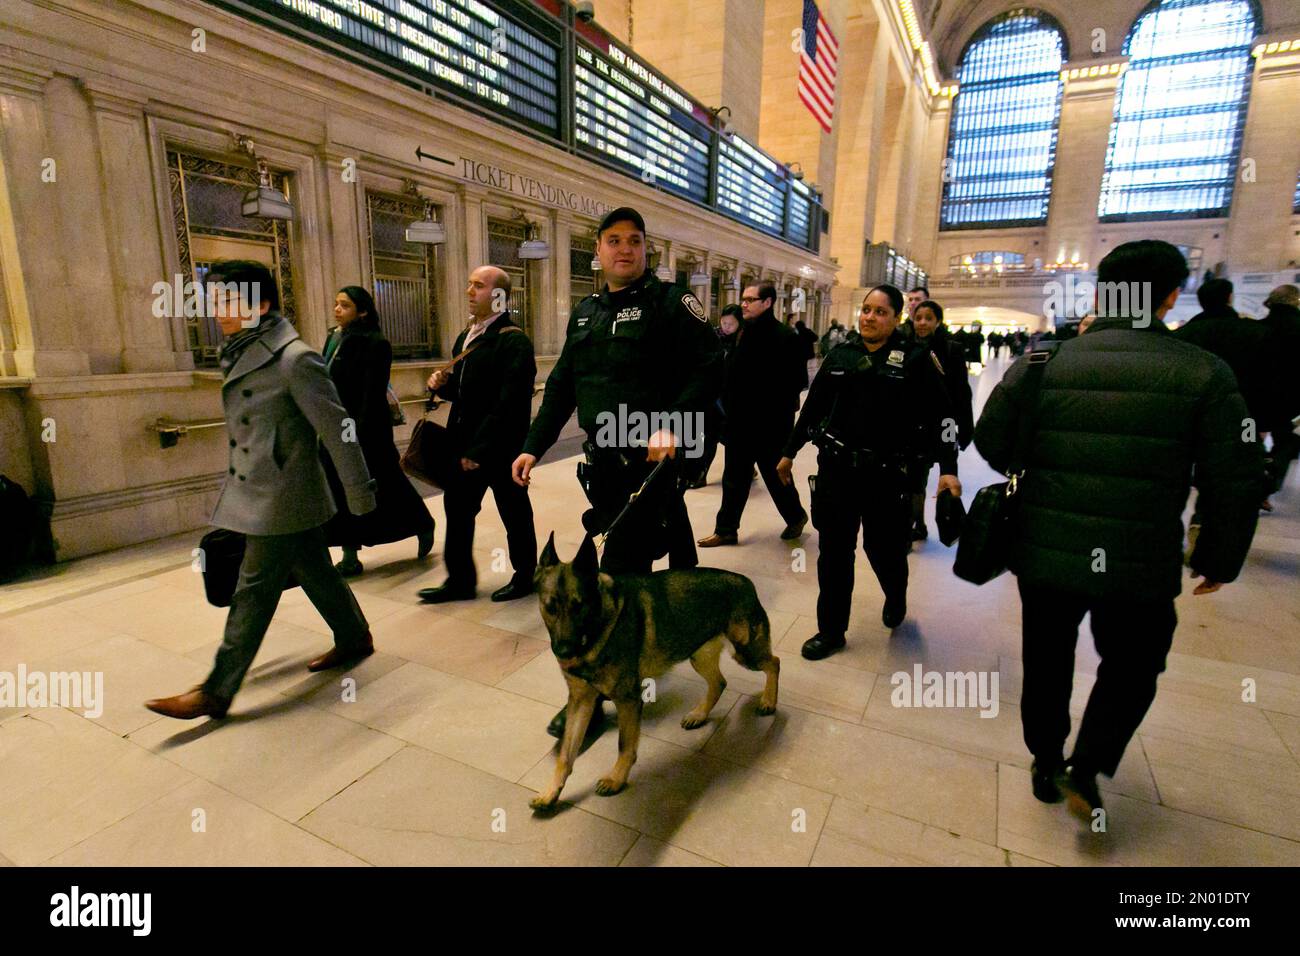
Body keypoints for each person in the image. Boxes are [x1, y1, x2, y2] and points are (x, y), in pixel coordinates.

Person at [974, 239, 1263, 825]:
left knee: (1048, 658)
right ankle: (1089, 764)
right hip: (1139, 557)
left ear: (1103, 292)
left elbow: (991, 441)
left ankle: (1046, 759)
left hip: (1047, 550)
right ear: (1172, 297)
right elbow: (1234, 475)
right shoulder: (1203, 372)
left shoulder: (1044, 362)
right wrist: (1220, 556)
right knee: (1134, 662)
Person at [512, 206, 722, 738]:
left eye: (633, 240)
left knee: (615, 580)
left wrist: (673, 425)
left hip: (650, 463)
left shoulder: (673, 304)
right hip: (602, 464)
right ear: (598, 251)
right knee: (666, 548)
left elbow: (708, 366)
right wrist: (533, 447)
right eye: (613, 241)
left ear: (645, 249)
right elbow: (562, 385)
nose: (624, 249)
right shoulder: (586, 313)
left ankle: (601, 695)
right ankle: (693, 612)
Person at [146, 261, 378, 720]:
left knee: (252, 590)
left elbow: (340, 429)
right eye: (215, 302)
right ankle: (354, 636)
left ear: (262, 305)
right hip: (267, 492)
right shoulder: (240, 350)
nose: (219, 311)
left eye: (229, 301)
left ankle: (216, 689)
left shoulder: (294, 359)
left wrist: (360, 492)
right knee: (315, 570)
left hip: (283, 497)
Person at [776, 284, 961, 660]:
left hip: (887, 475)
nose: (869, 318)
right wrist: (788, 452)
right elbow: (813, 408)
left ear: (896, 319)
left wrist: (949, 468)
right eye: (865, 310)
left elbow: (944, 418)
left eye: (880, 312)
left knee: (884, 550)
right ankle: (830, 630)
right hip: (838, 472)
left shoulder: (915, 360)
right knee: (834, 552)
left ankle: (896, 594)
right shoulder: (840, 355)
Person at [417, 266, 538, 604]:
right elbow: (467, 393)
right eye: (469, 283)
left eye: (479, 286)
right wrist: (442, 386)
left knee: (513, 511)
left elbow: (509, 405)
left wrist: (480, 449)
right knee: (456, 509)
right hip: (464, 444)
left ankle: (526, 574)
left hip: (499, 449)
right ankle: (459, 580)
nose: (470, 290)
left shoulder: (514, 341)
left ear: (499, 295)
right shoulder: (467, 336)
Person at [321, 286, 434, 576]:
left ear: (363, 311)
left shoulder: (375, 343)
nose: (337, 309)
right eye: (336, 304)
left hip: (367, 431)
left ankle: (421, 522)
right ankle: (349, 554)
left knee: (388, 483)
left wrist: (354, 432)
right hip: (335, 428)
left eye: (344, 305)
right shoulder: (333, 338)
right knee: (339, 488)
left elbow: (371, 394)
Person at [698, 283, 808, 548]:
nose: (744, 304)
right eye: (743, 299)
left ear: (768, 302)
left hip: (770, 425)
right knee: (734, 478)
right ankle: (726, 530)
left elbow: (798, 381)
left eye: (751, 299)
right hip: (738, 423)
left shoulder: (786, 336)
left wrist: (768, 402)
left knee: (775, 477)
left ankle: (796, 516)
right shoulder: (741, 333)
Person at [905, 300, 972, 541]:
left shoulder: (951, 350)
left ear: (938, 321)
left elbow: (962, 392)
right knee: (915, 477)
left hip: (941, 423)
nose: (922, 323)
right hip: (913, 424)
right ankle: (916, 524)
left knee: (932, 474)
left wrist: (964, 428)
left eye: (928, 318)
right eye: (918, 317)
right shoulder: (907, 347)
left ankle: (918, 525)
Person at [687, 305, 742, 489]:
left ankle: (747, 469)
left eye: (731, 324)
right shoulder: (712, 337)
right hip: (711, 397)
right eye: (724, 322)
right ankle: (699, 474)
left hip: (733, 399)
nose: (726, 327)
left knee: (732, 439)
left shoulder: (743, 342)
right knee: (708, 437)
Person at [1260, 285, 1300, 492]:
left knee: (1250, 439)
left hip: (1256, 399)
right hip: (1292, 404)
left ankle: (1252, 474)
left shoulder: (1257, 329)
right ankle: (1268, 485)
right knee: (1286, 443)